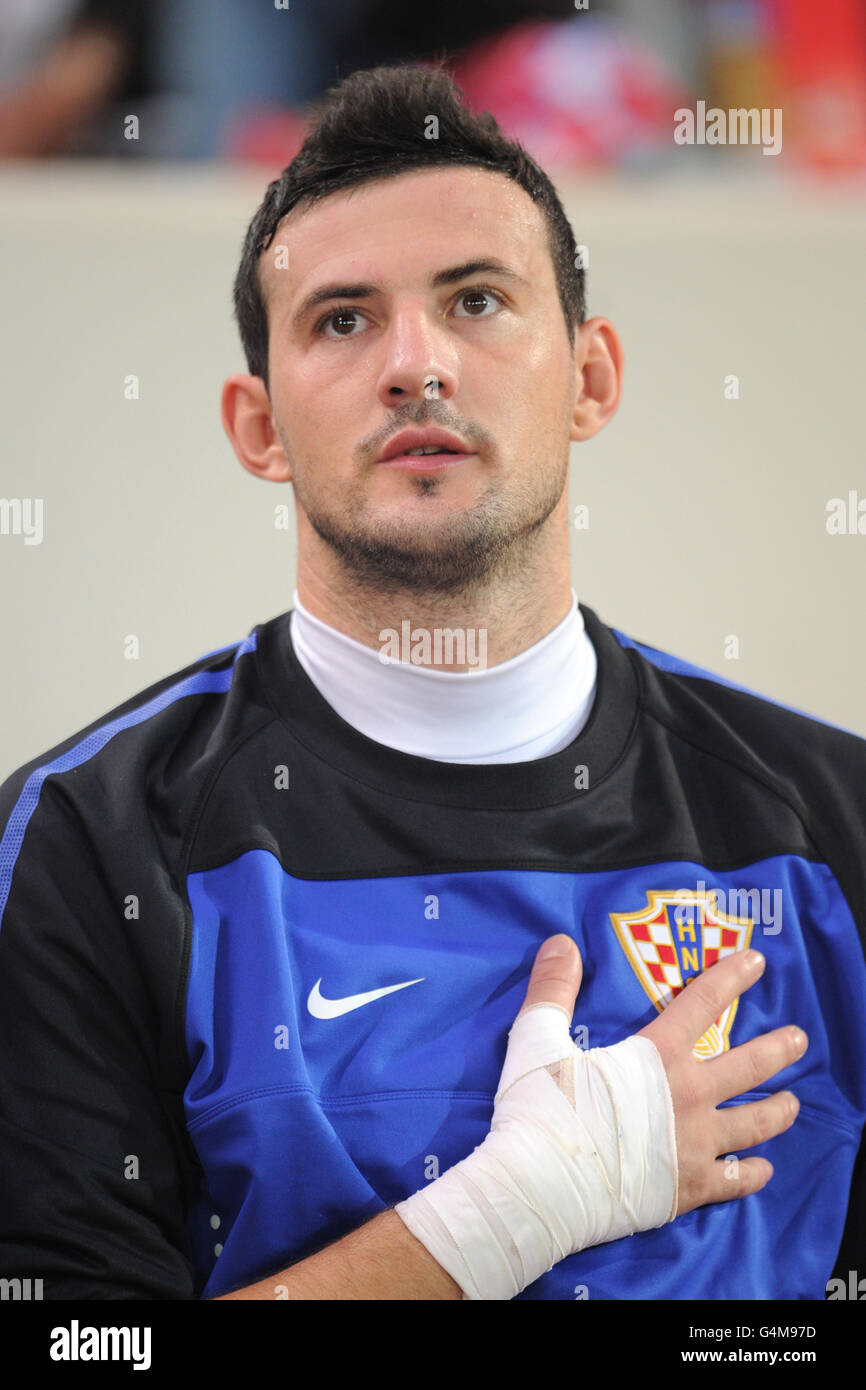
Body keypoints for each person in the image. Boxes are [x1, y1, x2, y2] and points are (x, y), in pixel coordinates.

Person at [0, 62, 863, 1302]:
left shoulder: (831, 818)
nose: (415, 365)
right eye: (342, 318)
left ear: (592, 378)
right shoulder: (87, 840)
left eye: (475, 299)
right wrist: (502, 1217)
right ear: (257, 427)